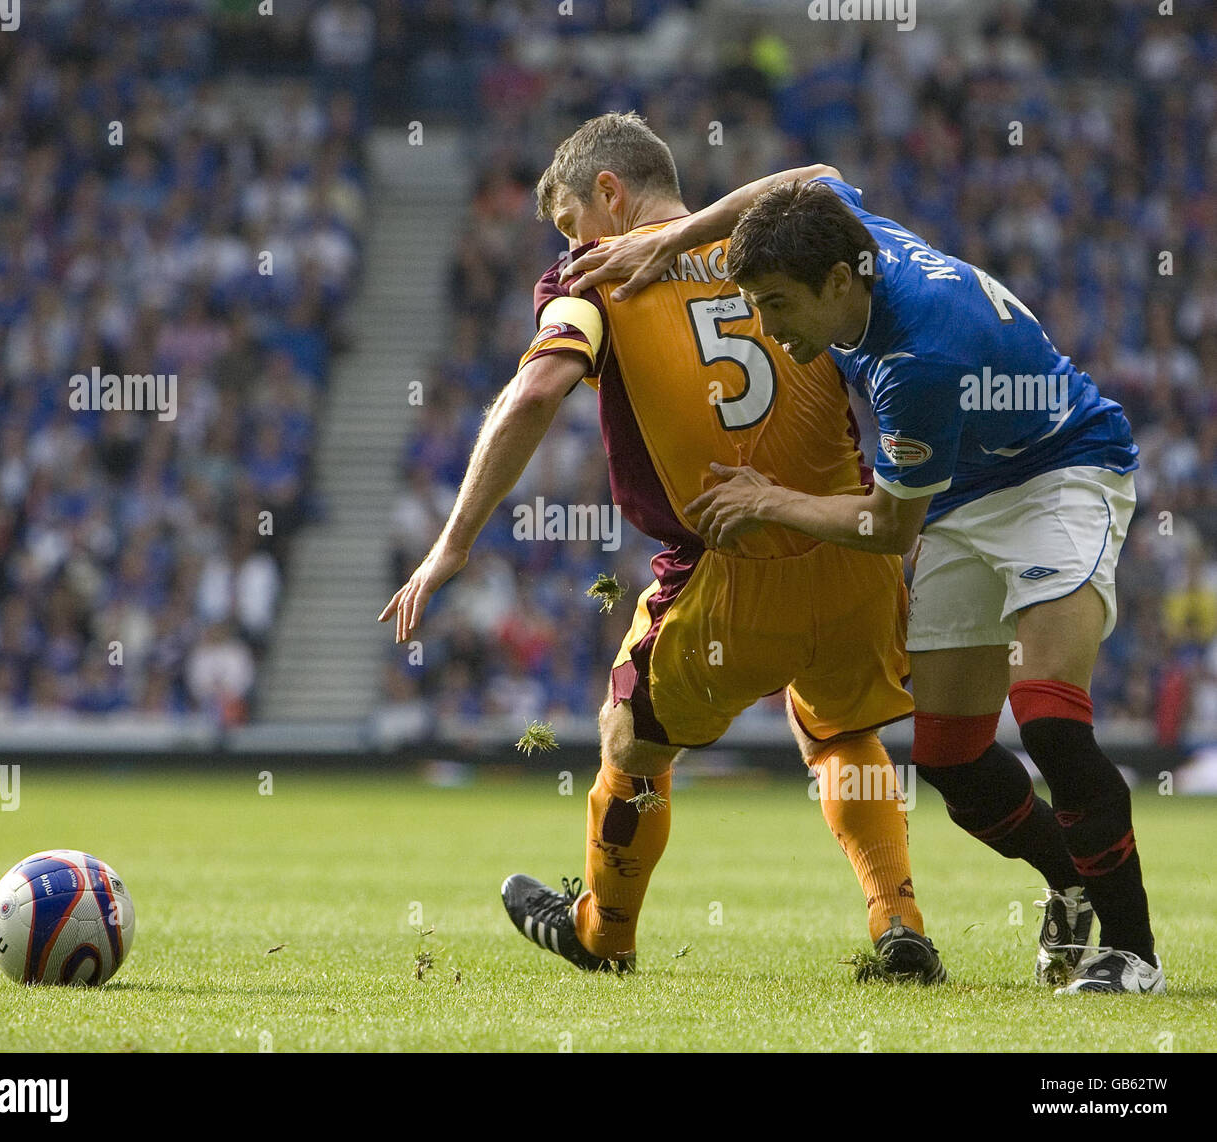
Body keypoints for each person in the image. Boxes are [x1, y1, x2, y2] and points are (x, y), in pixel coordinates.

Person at [564, 167, 1161, 994]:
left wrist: (773, 499)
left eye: (776, 305)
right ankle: (1071, 884)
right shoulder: (843, 231)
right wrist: (677, 235)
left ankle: (1132, 954)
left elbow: (886, 527)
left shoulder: (914, 360)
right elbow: (809, 176)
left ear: (839, 283)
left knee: (1052, 723)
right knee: (951, 757)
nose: (768, 329)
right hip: (964, 487)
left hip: (1058, 473)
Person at [380, 113, 945, 982]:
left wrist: (451, 545)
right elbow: (825, 176)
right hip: (854, 543)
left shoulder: (592, 278)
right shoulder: (774, 236)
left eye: (572, 221)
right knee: (840, 732)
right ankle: (898, 922)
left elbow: (535, 395)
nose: (574, 243)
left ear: (608, 193)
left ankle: (604, 932)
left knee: (631, 742)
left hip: (727, 562)